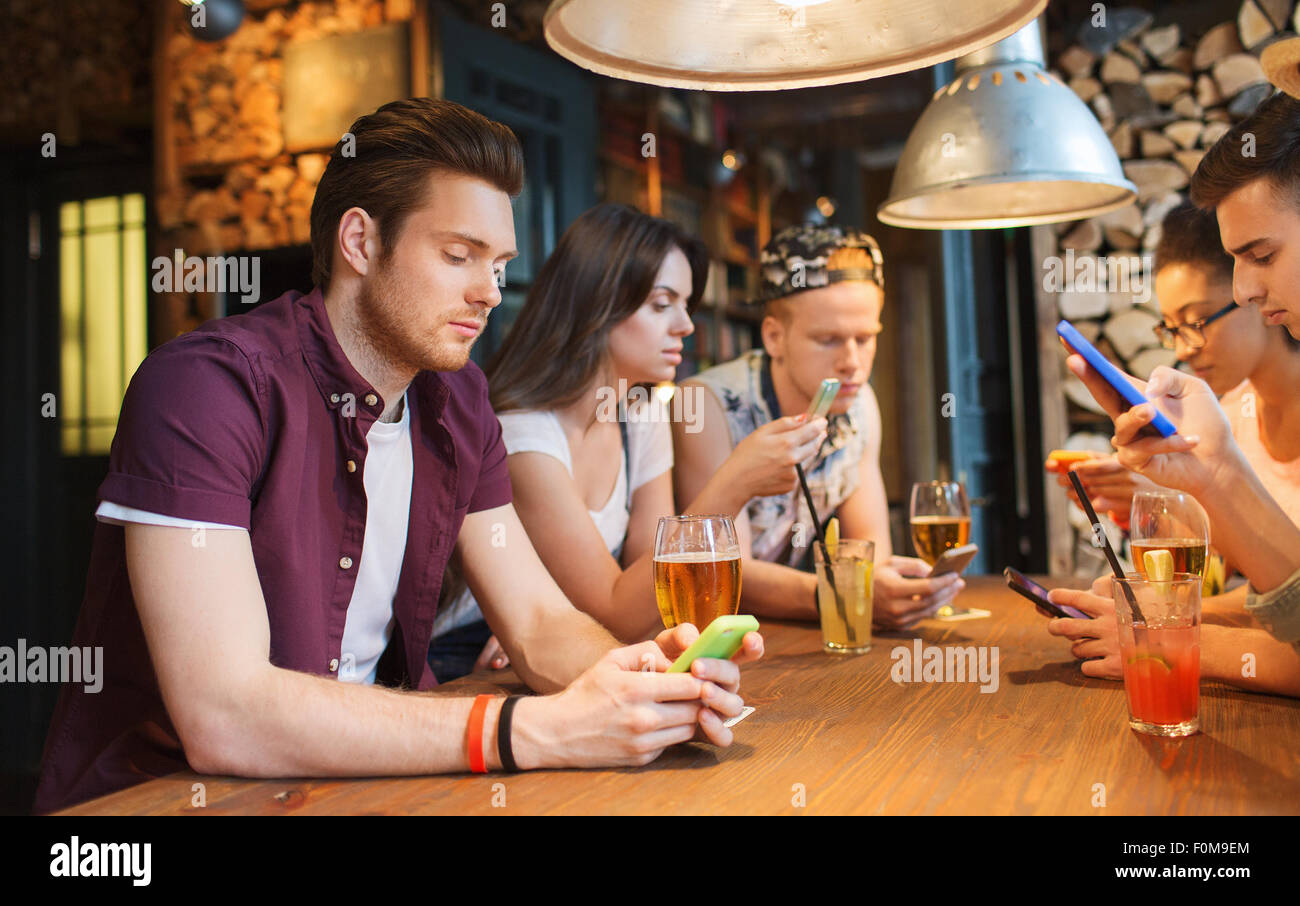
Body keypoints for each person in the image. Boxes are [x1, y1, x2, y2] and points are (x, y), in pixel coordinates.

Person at [33, 99, 762, 814]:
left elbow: (538, 620)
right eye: (458, 256)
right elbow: (225, 711)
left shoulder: (459, 400)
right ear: (360, 242)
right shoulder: (207, 387)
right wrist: (529, 731)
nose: (489, 293)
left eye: (499, 263)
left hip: (378, 780)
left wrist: (630, 679)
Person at [429, 203, 826, 680]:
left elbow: (650, 594)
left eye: (685, 305)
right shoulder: (524, 436)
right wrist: (736, 480)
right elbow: (616, 608)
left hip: (573, 648)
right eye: (661, 304)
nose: (686, 325)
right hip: (465, 662)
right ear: (597, 304)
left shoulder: (640, 417)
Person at [1046, 92, 1300, 694]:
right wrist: (1209, 471)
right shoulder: (1231, 414)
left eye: (1261, 255)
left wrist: (1169, 633)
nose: (1243, 291)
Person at [673, 225, 965, 628]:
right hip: (707, 636)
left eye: (865, 338)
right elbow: (726, 571)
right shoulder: (707, 405)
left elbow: (868, 552)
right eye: (829, 339)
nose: (852, 362)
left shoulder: (859, 404)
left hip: (789, 635)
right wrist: (841, 592)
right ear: (774, 337)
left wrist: (891, 586)